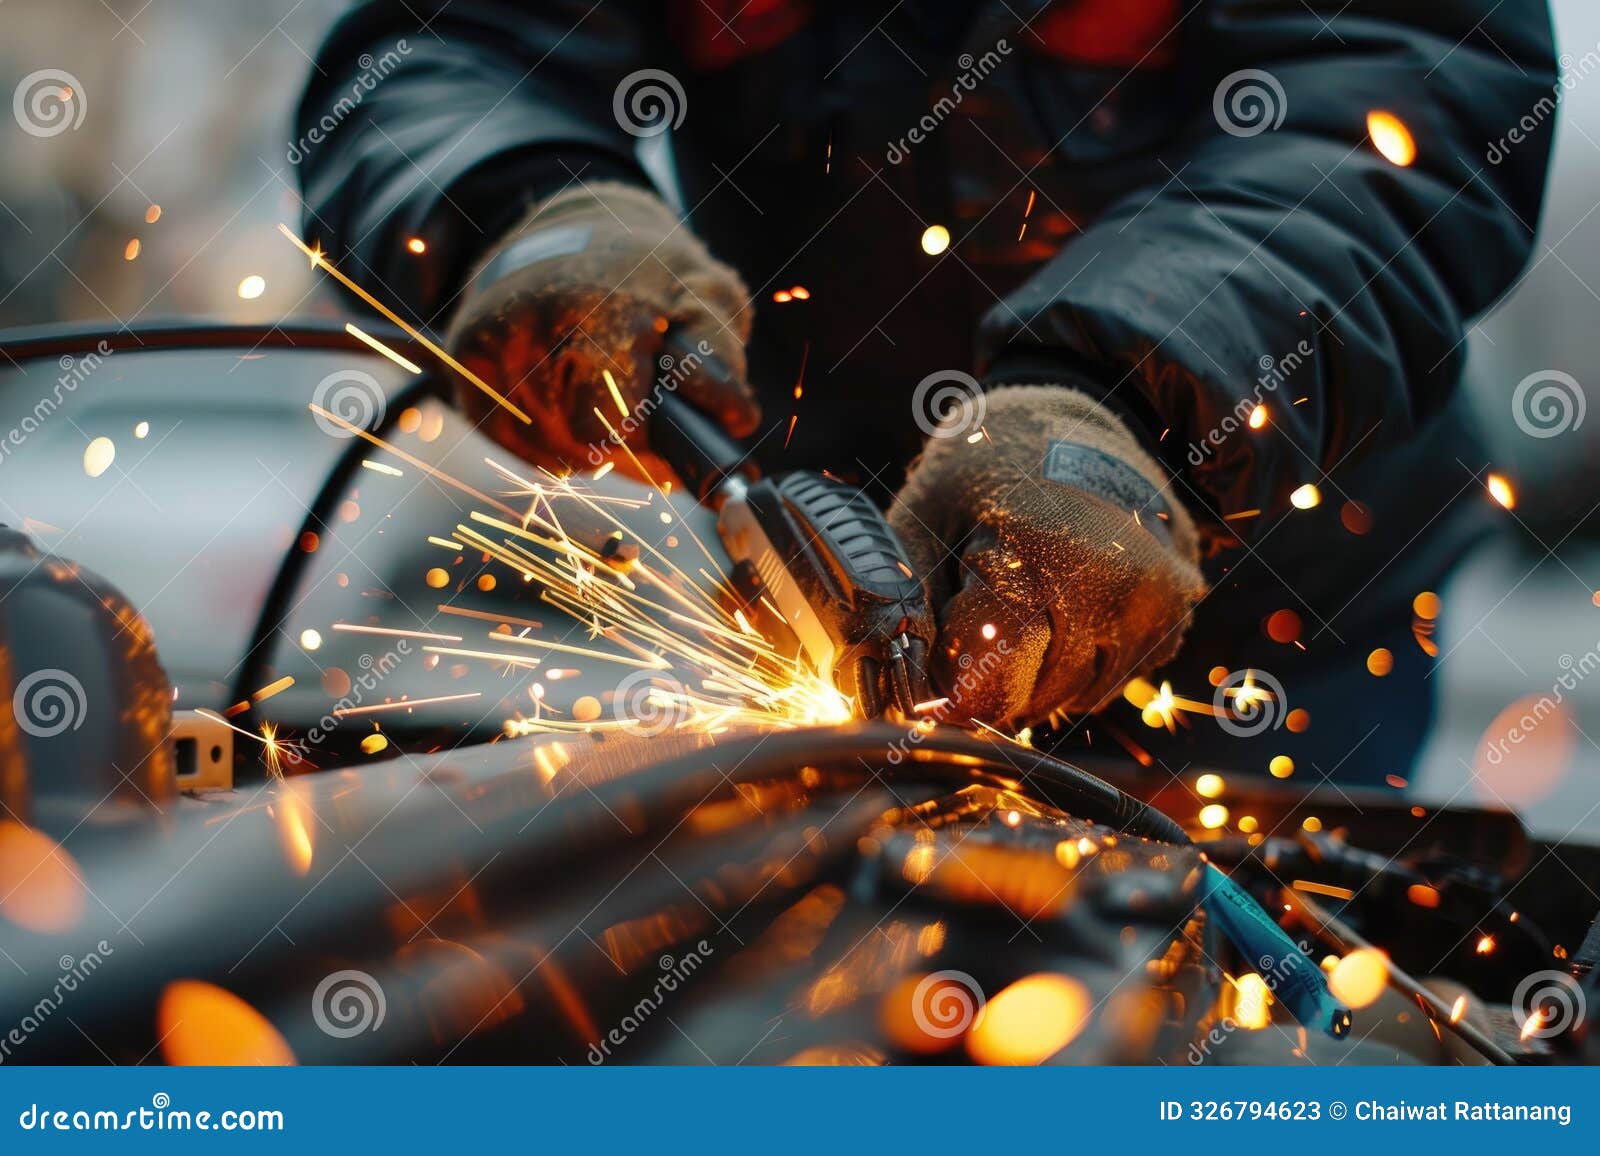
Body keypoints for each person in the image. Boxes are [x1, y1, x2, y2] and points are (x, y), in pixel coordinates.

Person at [297, 1, 1558, 783]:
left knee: (1219, 1003)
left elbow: (1396, 110)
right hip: (824, 548)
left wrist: (1118, 401)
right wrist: (526, 212)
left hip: (1276, 594)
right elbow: (443, 43)